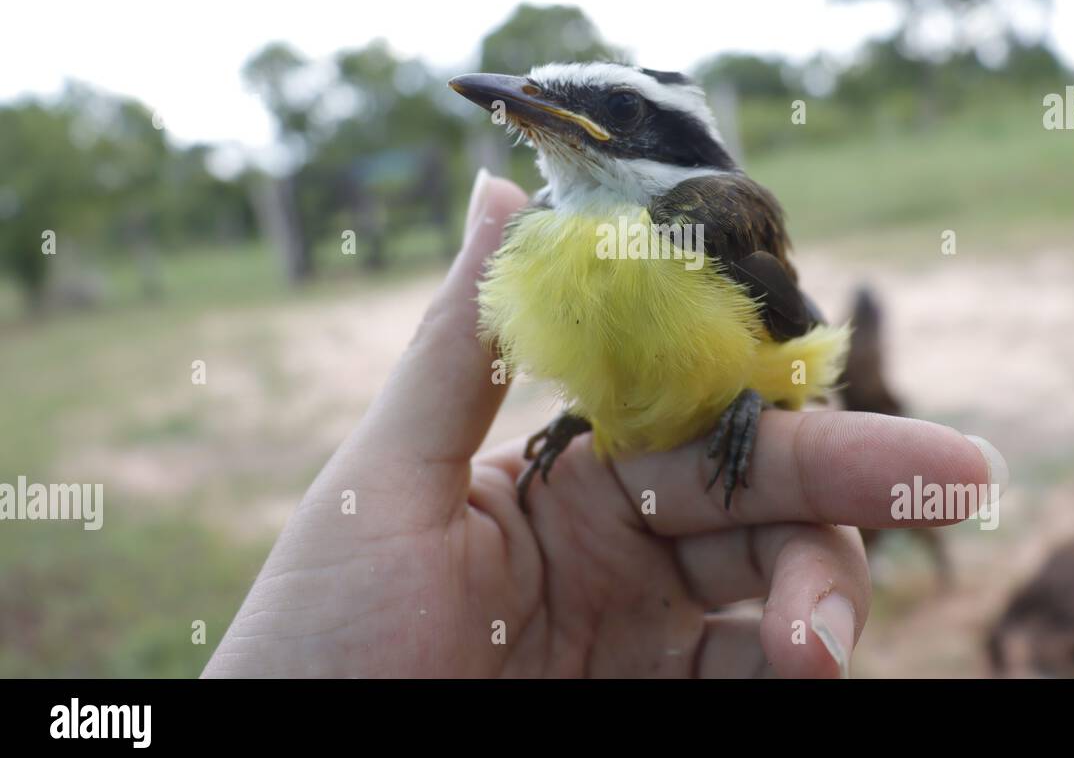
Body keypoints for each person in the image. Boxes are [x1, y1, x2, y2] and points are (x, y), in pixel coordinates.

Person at [203, 170, 1006, 678]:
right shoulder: (538, 246)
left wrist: (753, 401)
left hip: (758, 397)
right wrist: (580, 420)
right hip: (627, 469)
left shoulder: (703, 216)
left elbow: (798, 330)